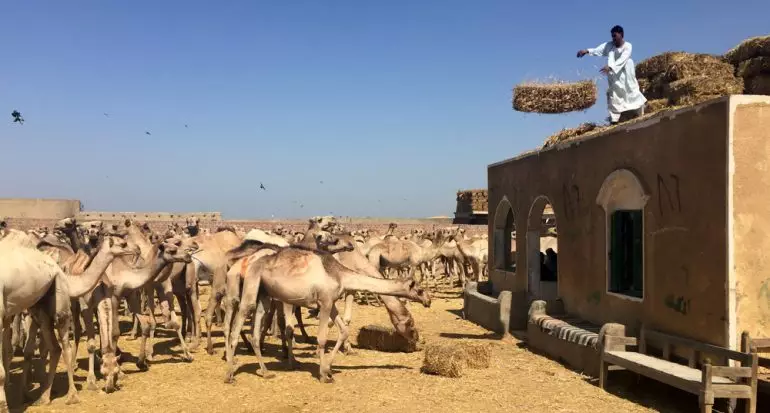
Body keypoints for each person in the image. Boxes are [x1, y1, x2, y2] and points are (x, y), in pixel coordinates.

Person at [577, 25, 646, 124]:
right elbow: (599, 49)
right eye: (612, 36)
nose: (613, 38)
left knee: (631, 91)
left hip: (626, 73)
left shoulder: (628, 46)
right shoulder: (610, 45)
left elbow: (624, 58)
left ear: (621, 34)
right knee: (613, 94)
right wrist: (586, 51)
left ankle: (640, 114)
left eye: (615, 36)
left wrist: (610, 67)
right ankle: (614, 120)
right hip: (614, 76)